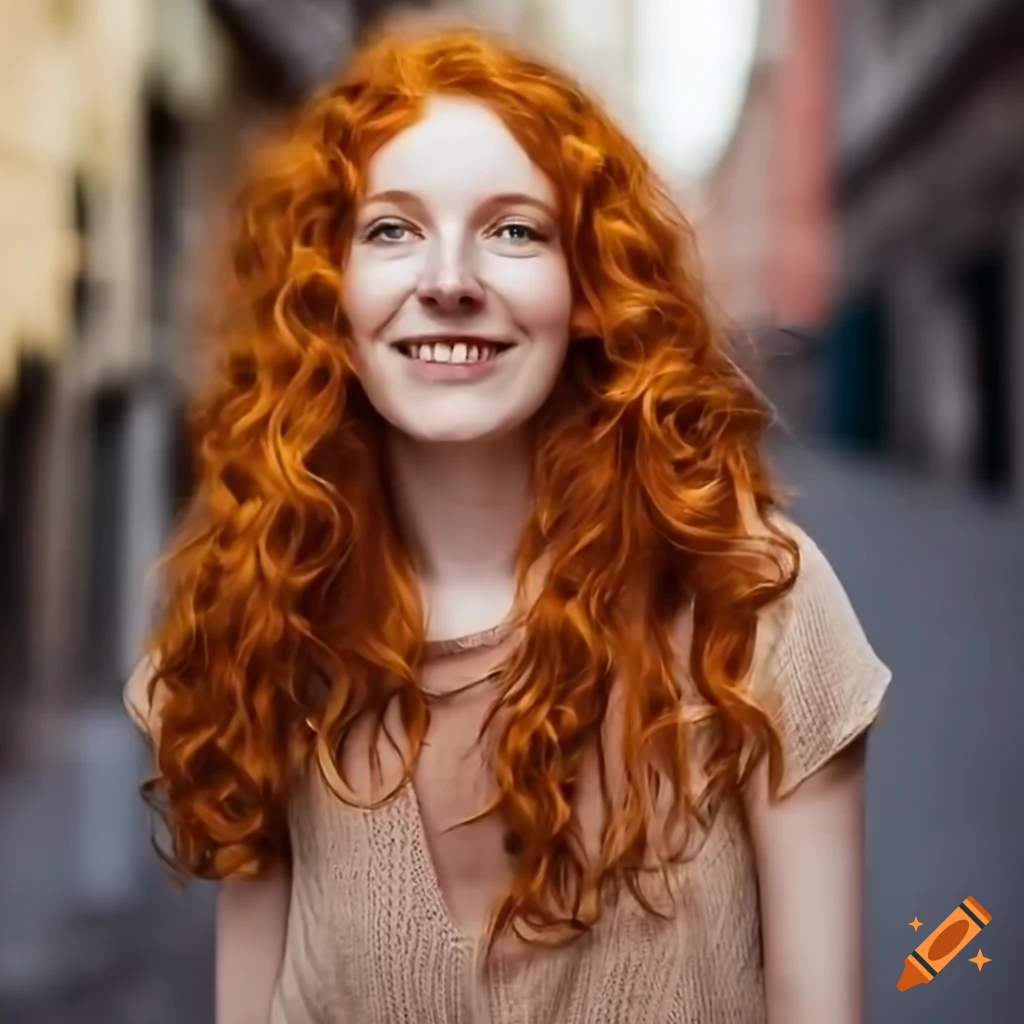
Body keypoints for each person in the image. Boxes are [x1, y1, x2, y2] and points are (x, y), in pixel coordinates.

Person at [125, 21, 891, 1024]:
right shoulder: (266, 612)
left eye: (514, 230)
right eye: (391, 229)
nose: (449, 280)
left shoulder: (751, 600)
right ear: (329, 298)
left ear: (587, 289)